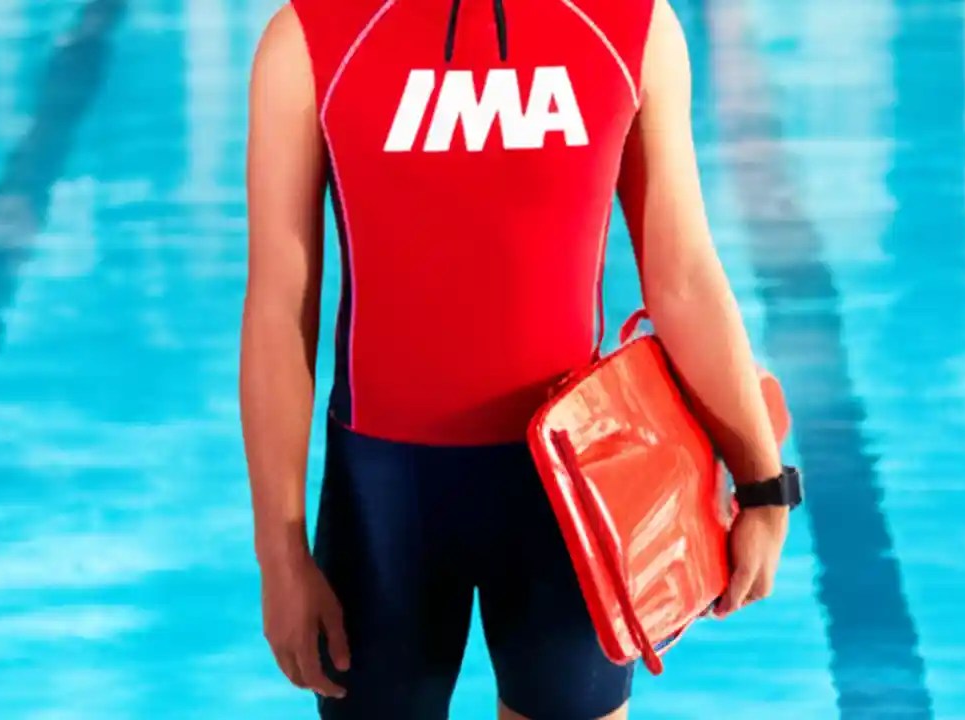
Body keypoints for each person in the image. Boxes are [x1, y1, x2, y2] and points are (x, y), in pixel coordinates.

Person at [240, 0, 797, 717]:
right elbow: (280, 309)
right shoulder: (312, 38)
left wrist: (763, 485)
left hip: (573, 502)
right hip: (383, 500)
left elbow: (683, 276)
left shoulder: (631, 25)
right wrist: (280, 557)